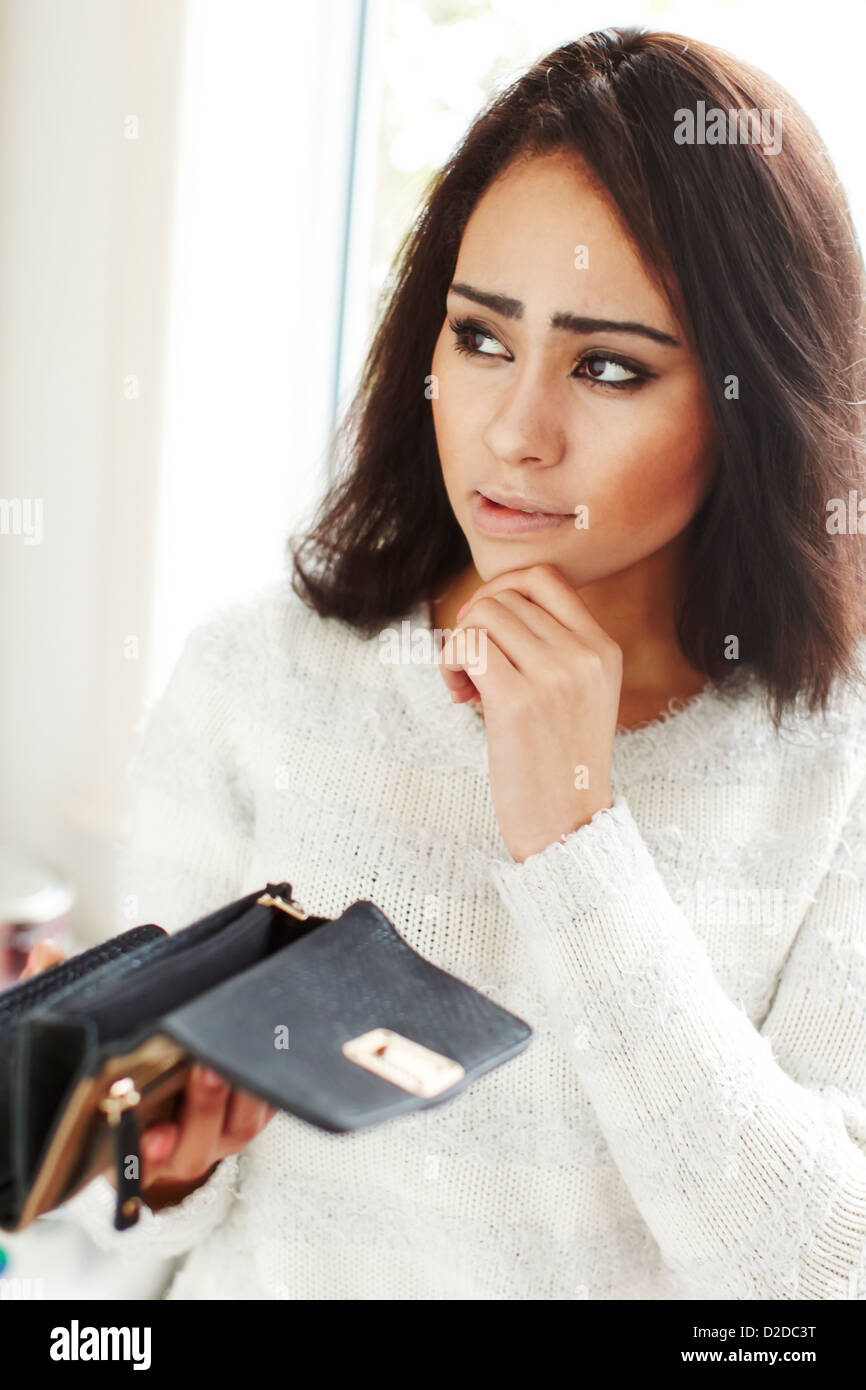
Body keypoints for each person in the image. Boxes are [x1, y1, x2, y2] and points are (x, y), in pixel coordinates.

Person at [25, 26, 866, 1299]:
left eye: (605, 366)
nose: (515, 433)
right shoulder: (259, 679)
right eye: (479, 339)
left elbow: (813, 1284)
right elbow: (92, 1272)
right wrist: (155, 1173)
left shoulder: (831, 769)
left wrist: (575, 846)